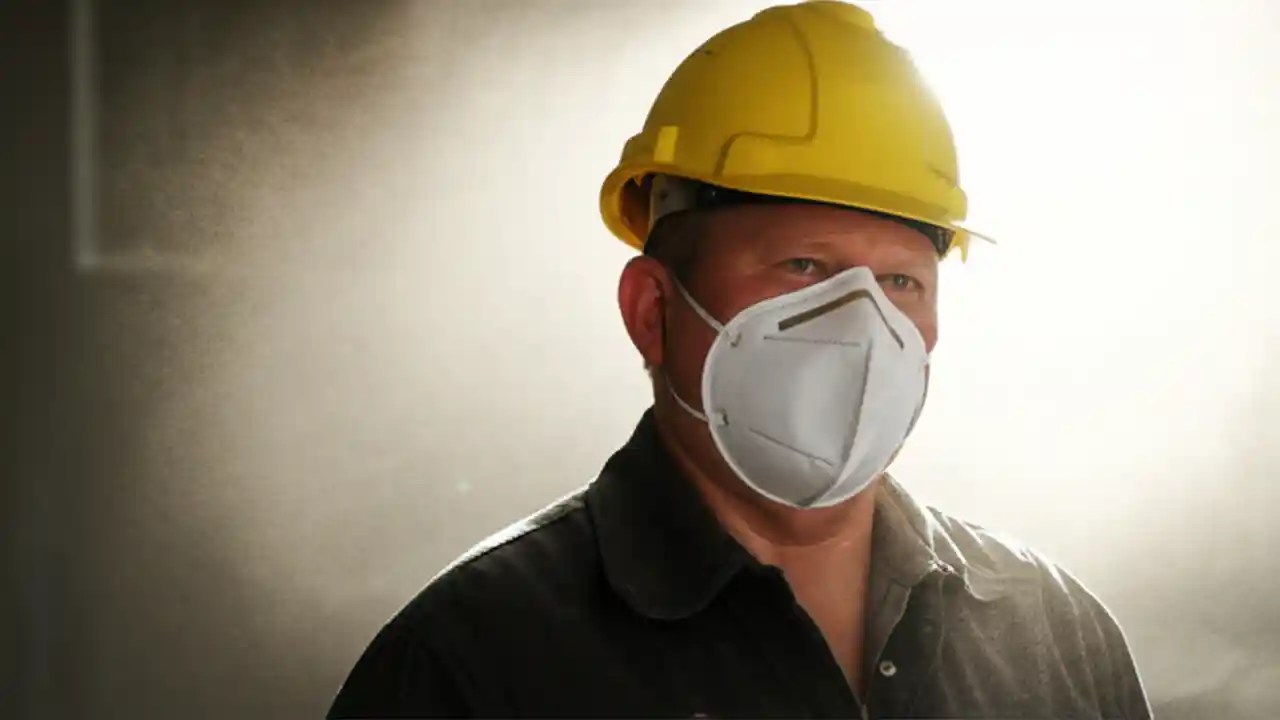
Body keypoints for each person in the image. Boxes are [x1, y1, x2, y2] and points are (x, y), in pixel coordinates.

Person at [328, 2, 1152, 717]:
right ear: (653, 311)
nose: (863, 326)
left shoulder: (1056, 637)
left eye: (901, 281)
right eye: (805, 268)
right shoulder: (475, 661)